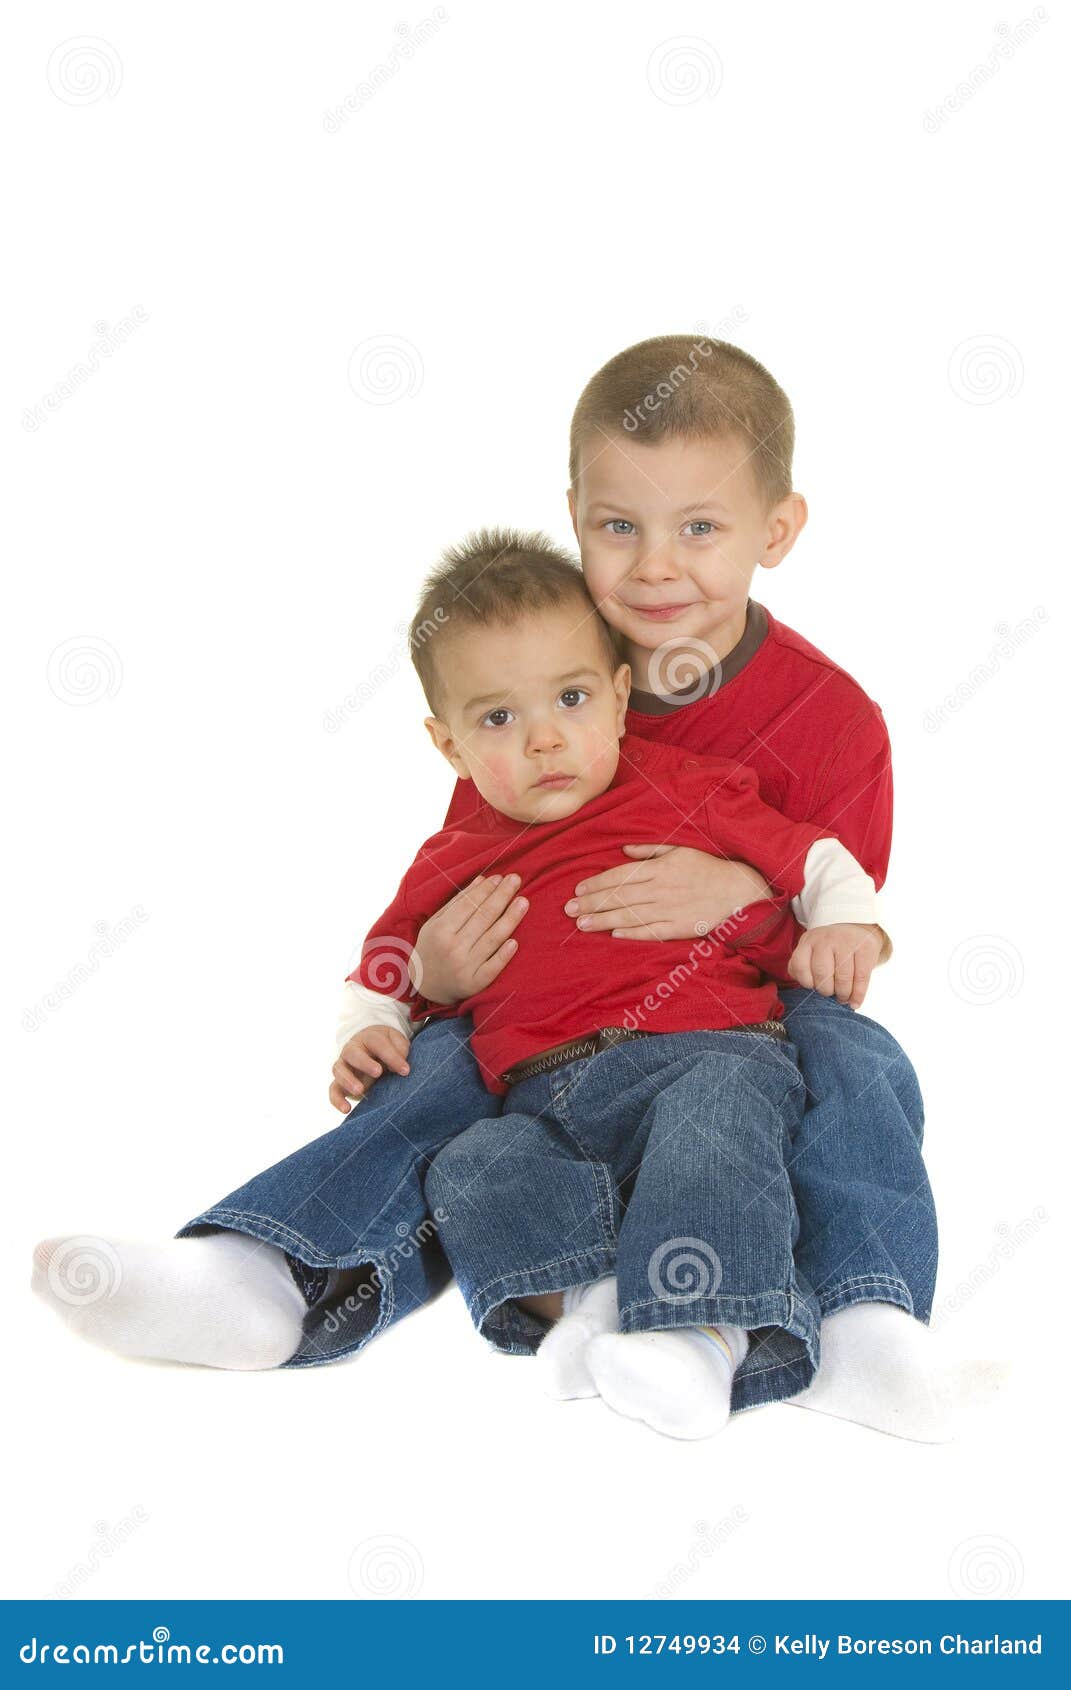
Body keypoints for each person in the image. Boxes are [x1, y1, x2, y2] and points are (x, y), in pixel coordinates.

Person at [32, 335, 959, 1440]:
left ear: (778, 530)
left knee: (858, 1055)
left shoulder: (832, 721)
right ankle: (276, 1271)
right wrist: (422, 979)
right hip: (551, 1021)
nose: (657, 568)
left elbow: (833, 929)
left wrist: (737, 901)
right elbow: (461, 878)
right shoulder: (534, 655)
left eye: (700, 529)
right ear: (575, 515)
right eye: (620, 528)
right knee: (441, 1065)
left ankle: (867, 1317)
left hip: (738, 1014)